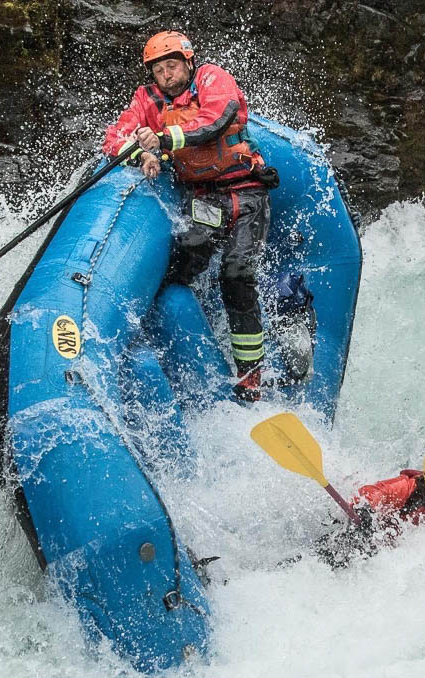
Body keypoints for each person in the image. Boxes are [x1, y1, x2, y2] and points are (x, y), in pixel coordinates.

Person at [103, 30, 276, 402]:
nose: (166, 75)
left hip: (247, 193)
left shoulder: (212, 78)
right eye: (159, 69)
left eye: (172, 65)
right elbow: (115, 138)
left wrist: (164, 141)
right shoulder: (147, 99)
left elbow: (215, 122)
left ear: (188, 62)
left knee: (237, 274)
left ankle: (250, 377)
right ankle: (173, 335)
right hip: (204, 196)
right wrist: (142, 155)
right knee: (185, 259)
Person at [316, 443, 425, 568]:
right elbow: (374, 491)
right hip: (368, 532)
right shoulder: (407, 488)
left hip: (393, 551)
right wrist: (364, 509)